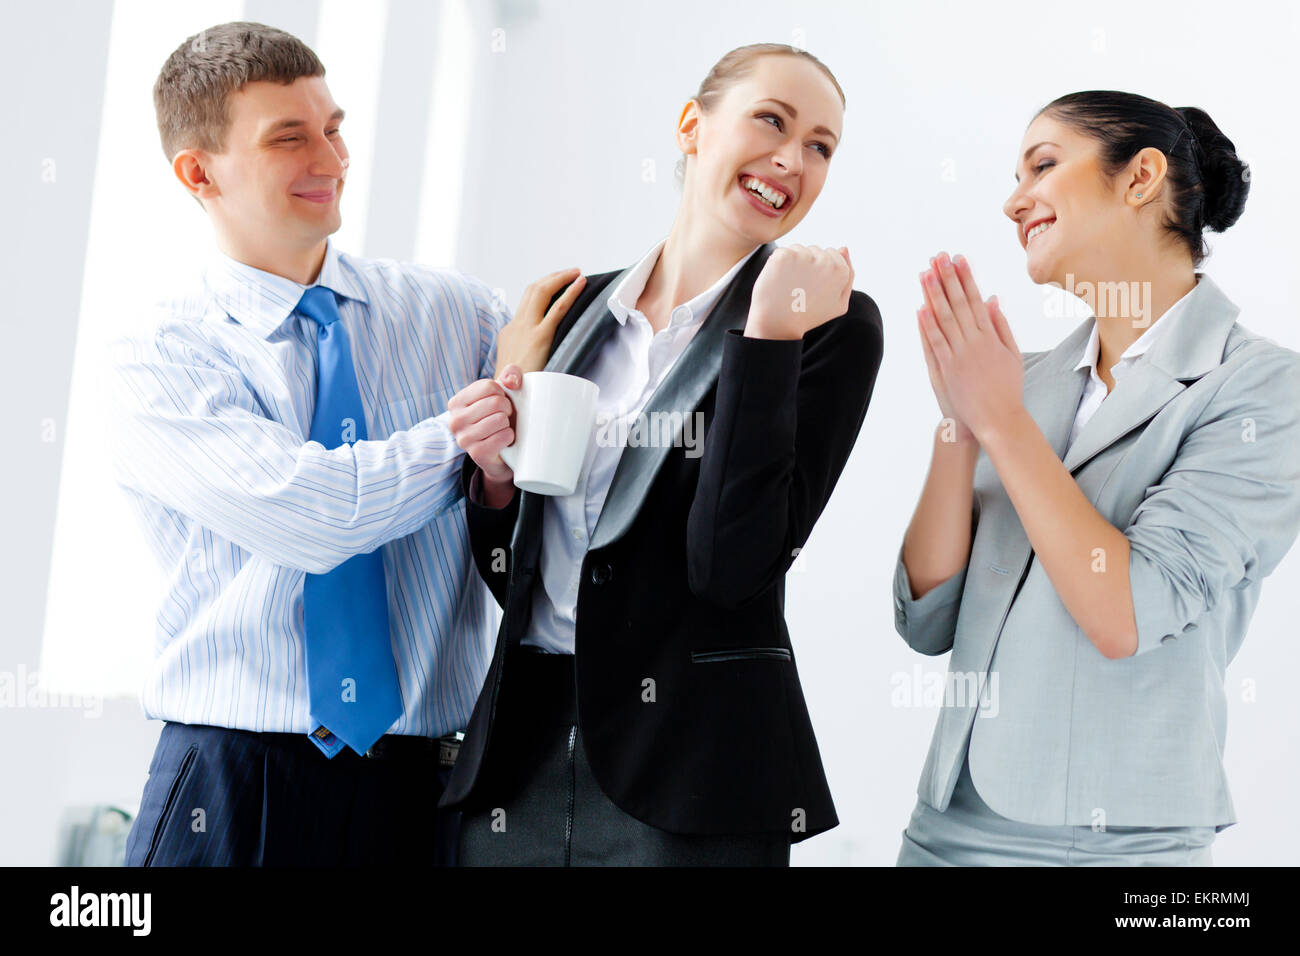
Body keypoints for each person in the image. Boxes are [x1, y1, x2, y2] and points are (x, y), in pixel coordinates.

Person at [110, 21, 576, 866]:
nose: (330, 158)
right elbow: (313, 516)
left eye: (334, 127)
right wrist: (460, 432)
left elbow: (530, 508)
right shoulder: (160, 355)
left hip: (424, 789)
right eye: (290, 138)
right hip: (234, 782)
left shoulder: (463, 314)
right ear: (198, 172)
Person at [439, 43, 884, 866]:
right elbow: (521, 575)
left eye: (821, 146)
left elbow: (735, 566)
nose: (792, 159)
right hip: (520, 751)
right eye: (771, 120)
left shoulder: (830, 323)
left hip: (692, 776)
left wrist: (768, 337)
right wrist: (495, 475)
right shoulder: (570, 313)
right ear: (691, 125)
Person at [893, 90, 1300, 865]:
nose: (1015, 201)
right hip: (946, 825)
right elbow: (927, 622)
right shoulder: (1027, 381)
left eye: (1042, 165)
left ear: (1141, 176)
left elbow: (1126, 615)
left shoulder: (1262, 387)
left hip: (1122, 845)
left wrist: (1001, 423)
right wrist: (959, 421)